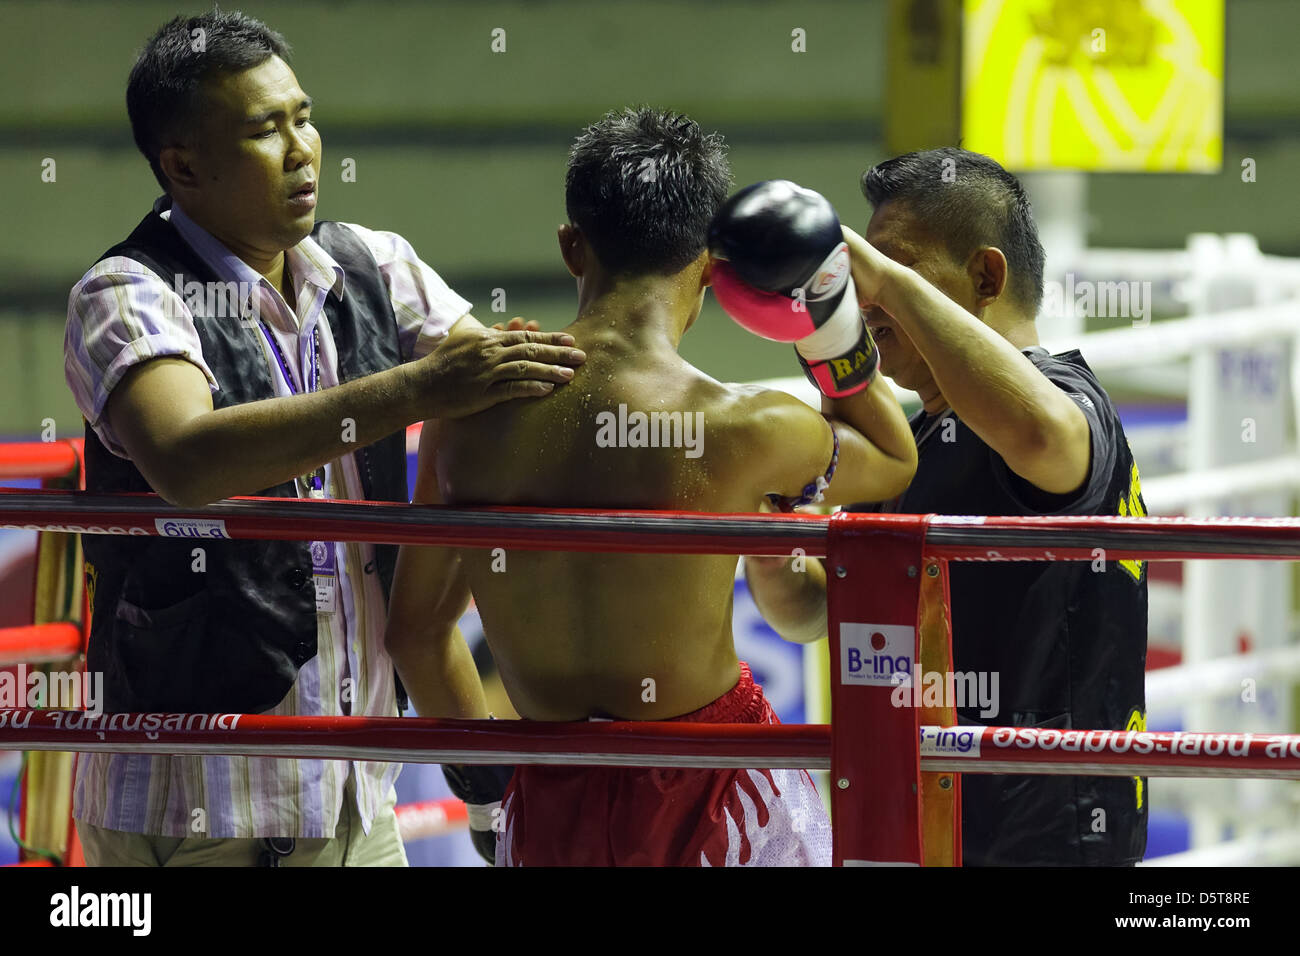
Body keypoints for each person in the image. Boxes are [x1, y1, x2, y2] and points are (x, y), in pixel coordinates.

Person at [62, 10, 584, 867]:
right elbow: (186, 457)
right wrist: (419, 389)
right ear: (183, 164)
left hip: (354, 791)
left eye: (302, 116)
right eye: (265, 129)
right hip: (199, 809)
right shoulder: (123, 293)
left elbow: (503, 383)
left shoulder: (373, 264)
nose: (303, 148)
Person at [383, 107, 918, 866]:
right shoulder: (747, 427)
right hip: (719, 781)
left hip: (548, 791)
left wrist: (485, 792)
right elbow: (894, 457)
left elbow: (414, 634)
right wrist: (822, 318)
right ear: (712, 269)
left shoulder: (465, 418)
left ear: (572, 248)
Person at [745, 147, 1149, 866]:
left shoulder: (1069, 400)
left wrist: (881, 279)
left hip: (1050, 836)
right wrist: (773, 549)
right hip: (926, 817)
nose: (869, 302)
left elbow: (1041, 434)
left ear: (986, 276)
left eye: (896, 268)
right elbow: (816, 612)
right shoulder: (915, 438)